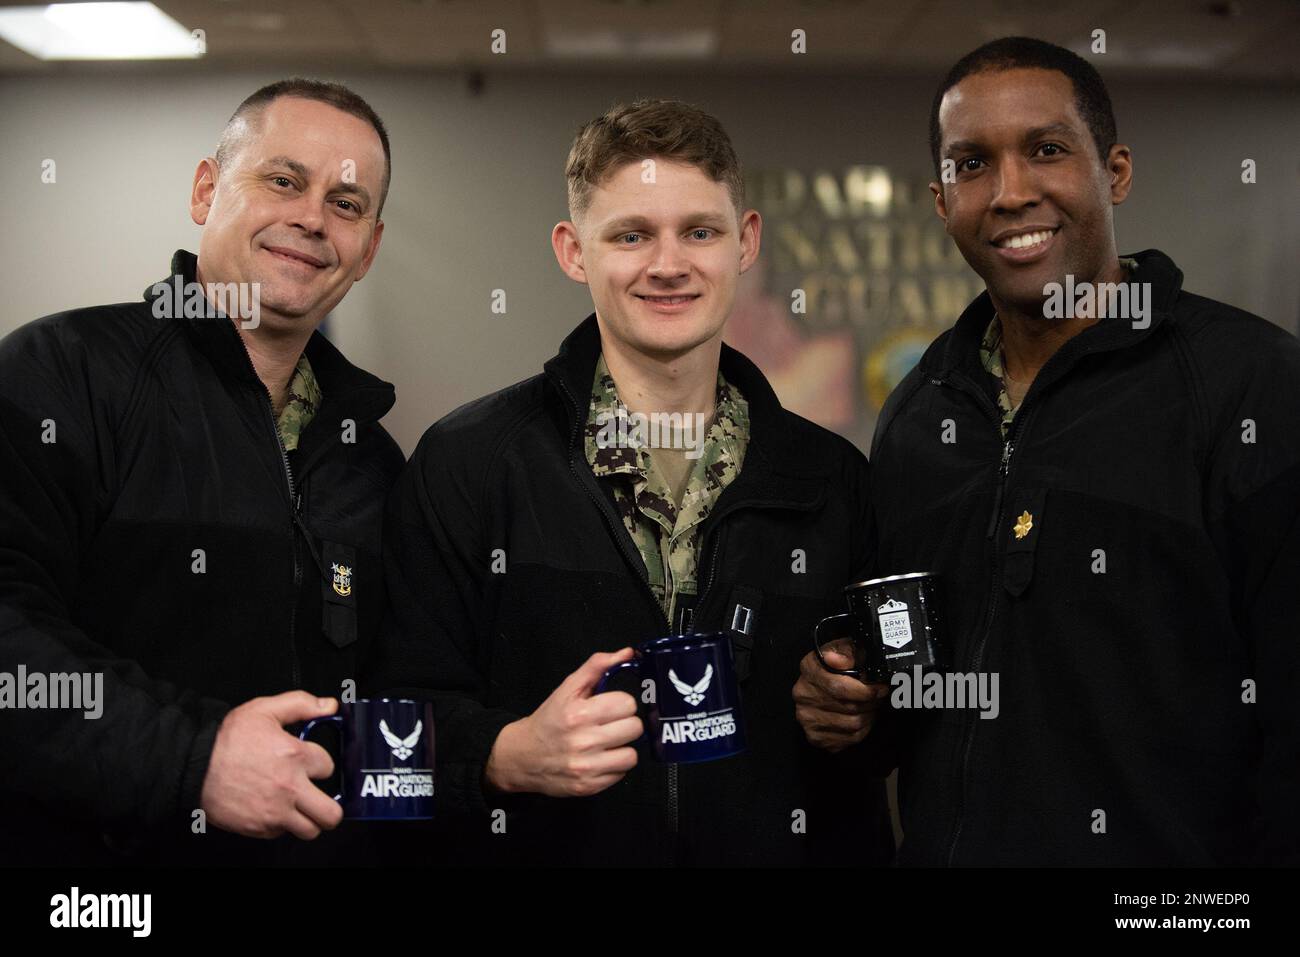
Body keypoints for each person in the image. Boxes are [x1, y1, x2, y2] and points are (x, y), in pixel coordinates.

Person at [797, 36, 1300, 865]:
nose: (1011, 192)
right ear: (940, 199)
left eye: (1047, 150)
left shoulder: (1251, 387)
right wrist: (853, 706)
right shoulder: (920, 415)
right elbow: (921, 695)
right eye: (972, 164)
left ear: (1117, 172)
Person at [368, 98, 894, 866]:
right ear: (573, 251)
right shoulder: (469, 464)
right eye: (631, 234)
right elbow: (388, 735)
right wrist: (505, 751)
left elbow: (895, 737)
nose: (669, 263)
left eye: (700, 231)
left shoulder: (832, 479)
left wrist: (863, 715)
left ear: (745, 242)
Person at [0, 78, 404, 866]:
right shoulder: (60, 375)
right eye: (283, 181)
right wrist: (195, 758)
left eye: (347, 204)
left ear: (369, 249)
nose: (313, 218)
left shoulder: (371, 458)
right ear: (206, 190)